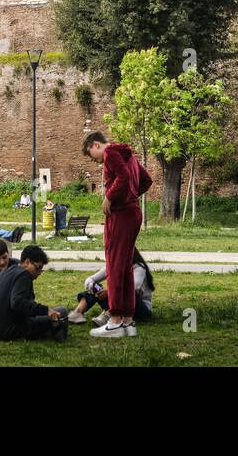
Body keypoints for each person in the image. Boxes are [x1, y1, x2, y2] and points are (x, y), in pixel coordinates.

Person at [82, 131, 152, 338]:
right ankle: (128, 321)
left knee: (114, 266)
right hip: (133, 213)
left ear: (96, 145)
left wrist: (110, 198)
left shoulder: (111, 152)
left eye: (91, 154)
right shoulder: (128, 154)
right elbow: (146, 180)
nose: (94, 160)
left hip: (120, 216)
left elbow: (123, 177)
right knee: (125, 268)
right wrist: (131, 197)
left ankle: (114, 321)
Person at [0, 244, 67, 342]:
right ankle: (53, 330)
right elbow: (17, 303)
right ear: (27, 262)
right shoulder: (24, 275)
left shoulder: (5, 272)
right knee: (62, 311)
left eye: (41, 269)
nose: (39, 272)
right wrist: (46, 310)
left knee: (49, 313)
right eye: (37, 268)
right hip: (8, 331)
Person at [69, 248, 154, 326]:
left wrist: (109, 291)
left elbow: (133, 289)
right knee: (96, 287)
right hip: (117, 303)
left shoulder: (138, 268)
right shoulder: (113, 265)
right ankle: (77, 313)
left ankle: (108, 316)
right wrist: (95, 287)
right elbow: (89, 280)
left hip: (140, 309)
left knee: (128, 292)